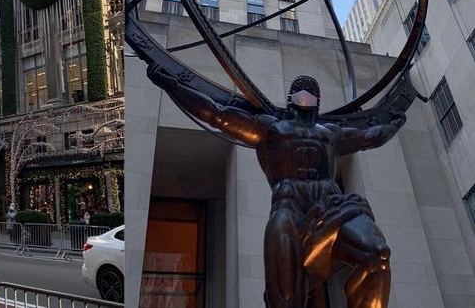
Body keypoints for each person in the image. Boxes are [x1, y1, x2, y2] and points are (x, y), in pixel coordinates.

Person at [148, 68, 402, 308]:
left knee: (377, 255)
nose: (305, 93)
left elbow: (371, 136)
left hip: (332, 205)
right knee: (286, 297)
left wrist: (395, 122)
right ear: (290, 98)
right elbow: (218, 116)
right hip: (288, 210)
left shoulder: (330, 134)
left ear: (318, 101)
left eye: (310, 90)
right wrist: (171, 85)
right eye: (300, 89)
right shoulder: (270, 128)